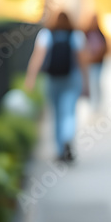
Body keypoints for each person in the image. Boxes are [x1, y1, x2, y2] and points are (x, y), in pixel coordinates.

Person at [25, 11, 88, 162]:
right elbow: (83, 61)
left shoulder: (46, 34)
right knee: (69, 113)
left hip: (52, 79)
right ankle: (67, 138)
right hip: (72, 78)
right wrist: (86, 82)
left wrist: (30, 78)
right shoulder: (76, 35)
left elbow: (37, 57)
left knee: (57, 114)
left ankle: (60, 150)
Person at [82, 13, 108, 112]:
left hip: (98, 63)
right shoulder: (86, 33)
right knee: (91, 83)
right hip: (89, 63)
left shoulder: (100, 33)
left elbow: (105, 48)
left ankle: (97, 102)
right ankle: (92, 103)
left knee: (96, 82)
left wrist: (97, 55)